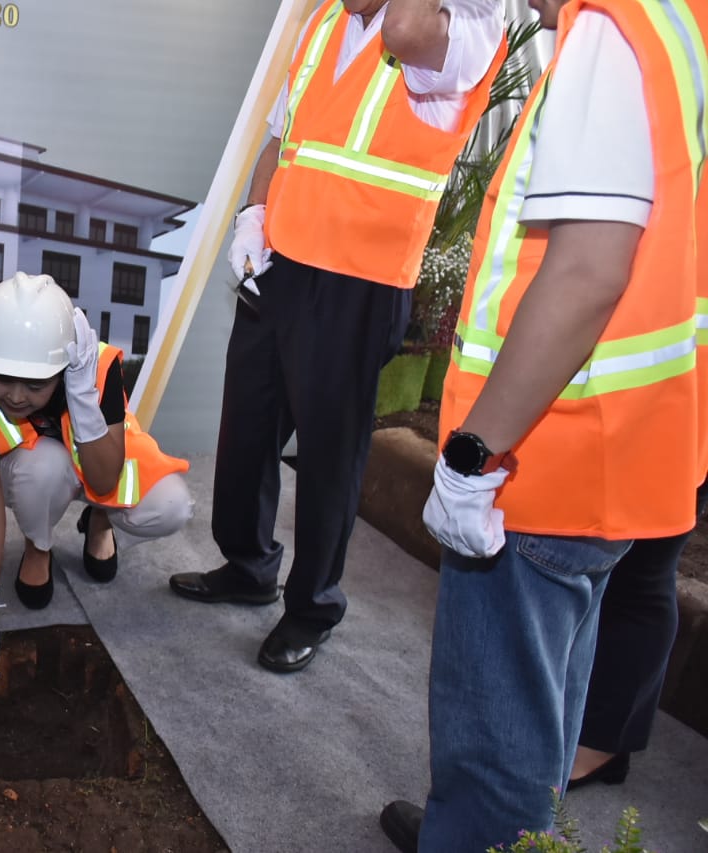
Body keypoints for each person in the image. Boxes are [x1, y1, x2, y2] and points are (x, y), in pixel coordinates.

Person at [379, 0, 708, 845]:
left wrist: (472, 454)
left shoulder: (614, 31)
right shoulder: (681, 29)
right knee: (543, 714)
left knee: (494, 752)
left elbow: (589, 269)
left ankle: (480, 827)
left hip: (540, 459)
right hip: (619, 452)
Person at [168, 0, 506, 674]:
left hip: (361, 280)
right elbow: (281, 137)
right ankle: (248, 564)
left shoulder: (462, 31)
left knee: (328, 455)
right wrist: (253, 215)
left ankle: (312, 605)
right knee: (247, 427)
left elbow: (405, 32)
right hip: (282, 260)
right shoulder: (325, 20)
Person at [0, 272, 193, 683]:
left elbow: (104, 480)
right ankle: (39, 545)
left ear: (61, 367)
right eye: (2, 379)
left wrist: (84, 400)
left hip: (103, 463)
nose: (15, 395)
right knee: (40, 467)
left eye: (34, 383)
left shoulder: (96, 370)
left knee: (172, 506)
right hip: (44, 473)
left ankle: (99, 522)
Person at [568, 478, 708, 790]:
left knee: (642, 571)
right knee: (621, 567)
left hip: (679, 443)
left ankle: (601, 744)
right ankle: (587, 728)